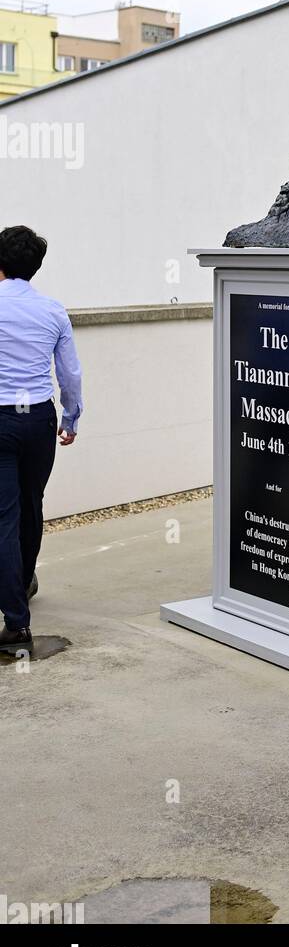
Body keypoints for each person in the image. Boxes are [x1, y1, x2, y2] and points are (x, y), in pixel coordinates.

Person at [0, 225, 83, 651]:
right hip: (37, 420)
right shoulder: (52, 311)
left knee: (4, 515)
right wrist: (71, 417)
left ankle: (15, 619)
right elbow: (69, 374)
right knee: (31, 508)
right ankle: (21, 582)